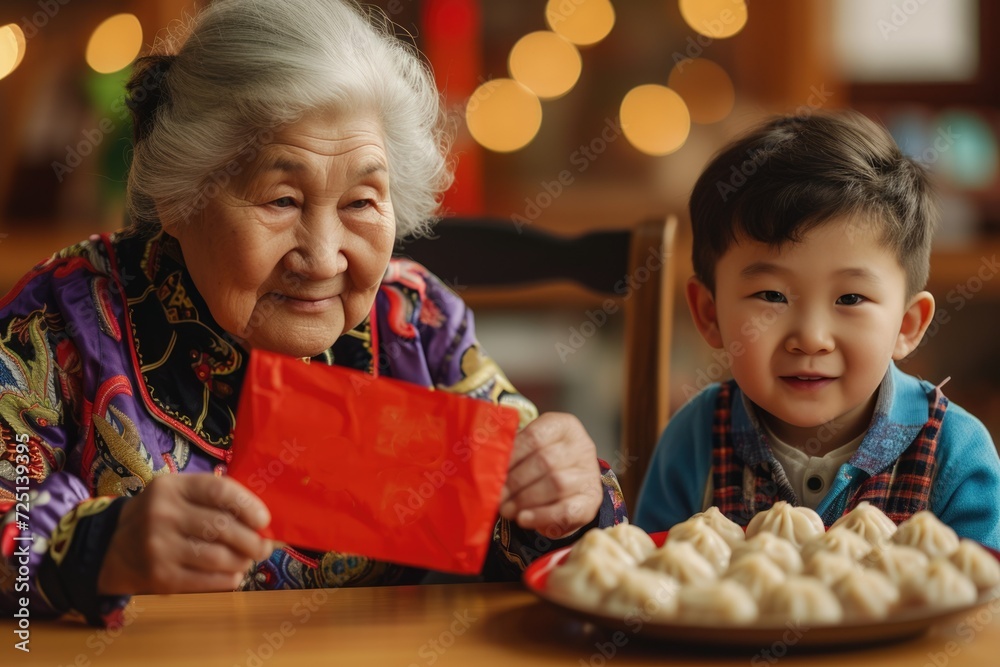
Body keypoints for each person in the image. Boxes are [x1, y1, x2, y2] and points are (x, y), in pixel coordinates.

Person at [0, 0, 625, 627]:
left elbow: (536, 534)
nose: (323, 258)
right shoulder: (60, 319)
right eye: (282, 200)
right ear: (177, 197)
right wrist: (98, 547)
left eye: (361, 202)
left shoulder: (413, 322)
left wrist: (566, 498)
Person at [634, 112, 1000, 549]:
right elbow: (645, 570)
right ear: (709, 315)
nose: (810, 338)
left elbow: (982, 587)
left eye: (850, 298)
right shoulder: (694, 440)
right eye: (772, 296)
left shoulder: (953, 452)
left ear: (907, 324)